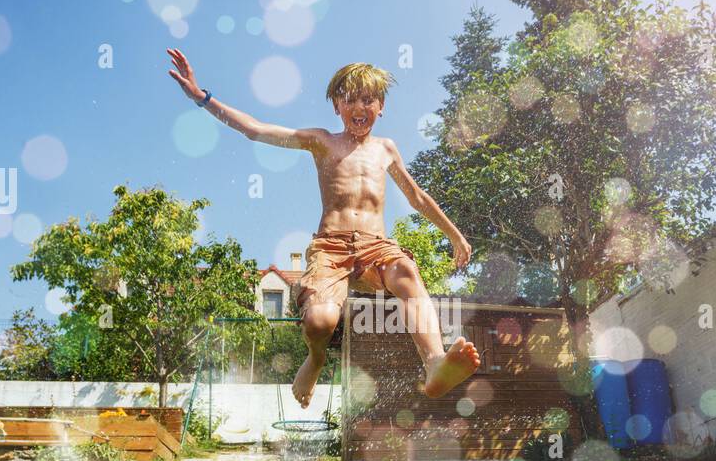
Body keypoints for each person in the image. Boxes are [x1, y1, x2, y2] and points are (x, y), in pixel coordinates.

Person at [167, 49, 481, 407]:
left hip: (376, 247)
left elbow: (417, 197)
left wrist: (454, 234)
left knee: (407, 270)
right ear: (336, 105)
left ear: (381, 107)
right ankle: (315, 360)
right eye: (350, 99)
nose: (359, 107)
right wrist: (202, 98)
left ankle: (435, 362)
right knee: (319, 322)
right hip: (330, 247)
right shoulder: (322, 141)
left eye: (368, 99)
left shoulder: (386, 149)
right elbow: (256, 130)